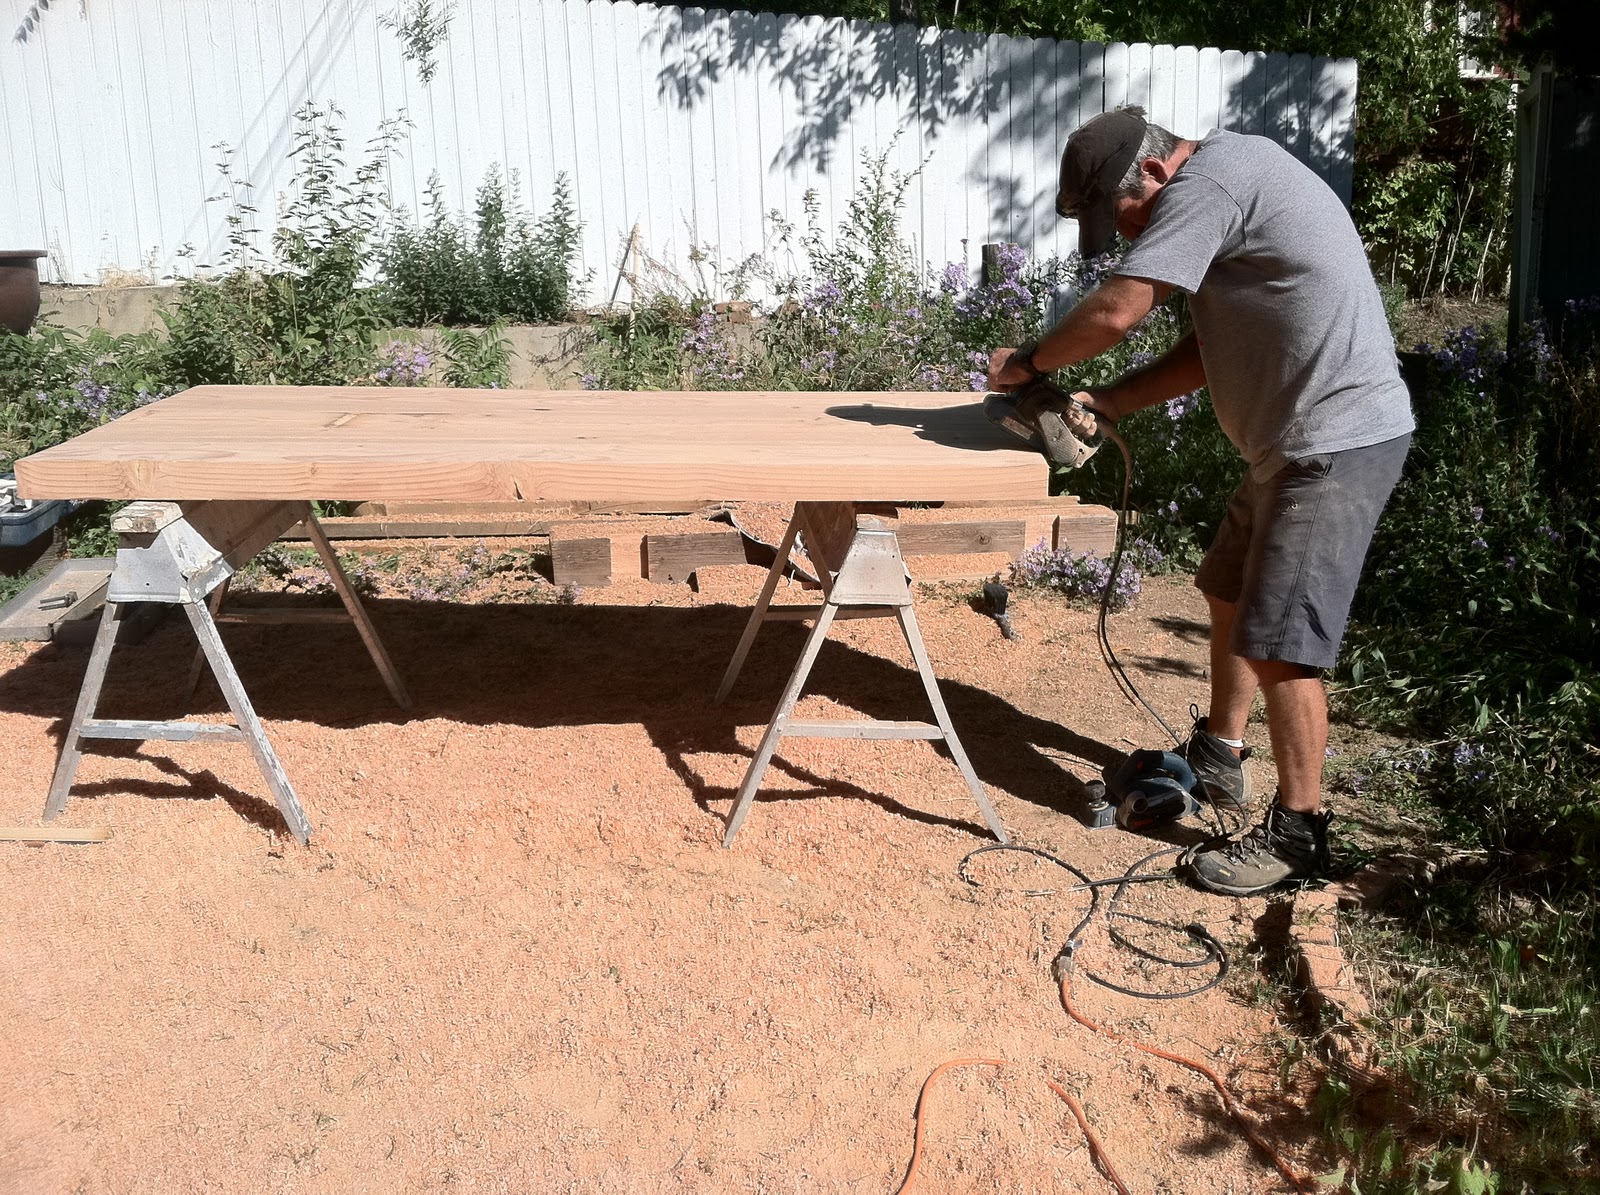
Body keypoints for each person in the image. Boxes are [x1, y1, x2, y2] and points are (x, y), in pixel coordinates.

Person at [989, 106, 1414, 897]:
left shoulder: (1211, 182)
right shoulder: (1225, 187)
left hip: (1333, 443)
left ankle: (1300, 834)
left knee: (1282, 639)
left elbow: (1118, 311)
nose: (1124, 242)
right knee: (1225, 585)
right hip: (1285, 444)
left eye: (1122, 221)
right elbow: (1203, 351)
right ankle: (1221, 755)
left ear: (1152, 172)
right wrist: (1110, 401)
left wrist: (1029, 361)